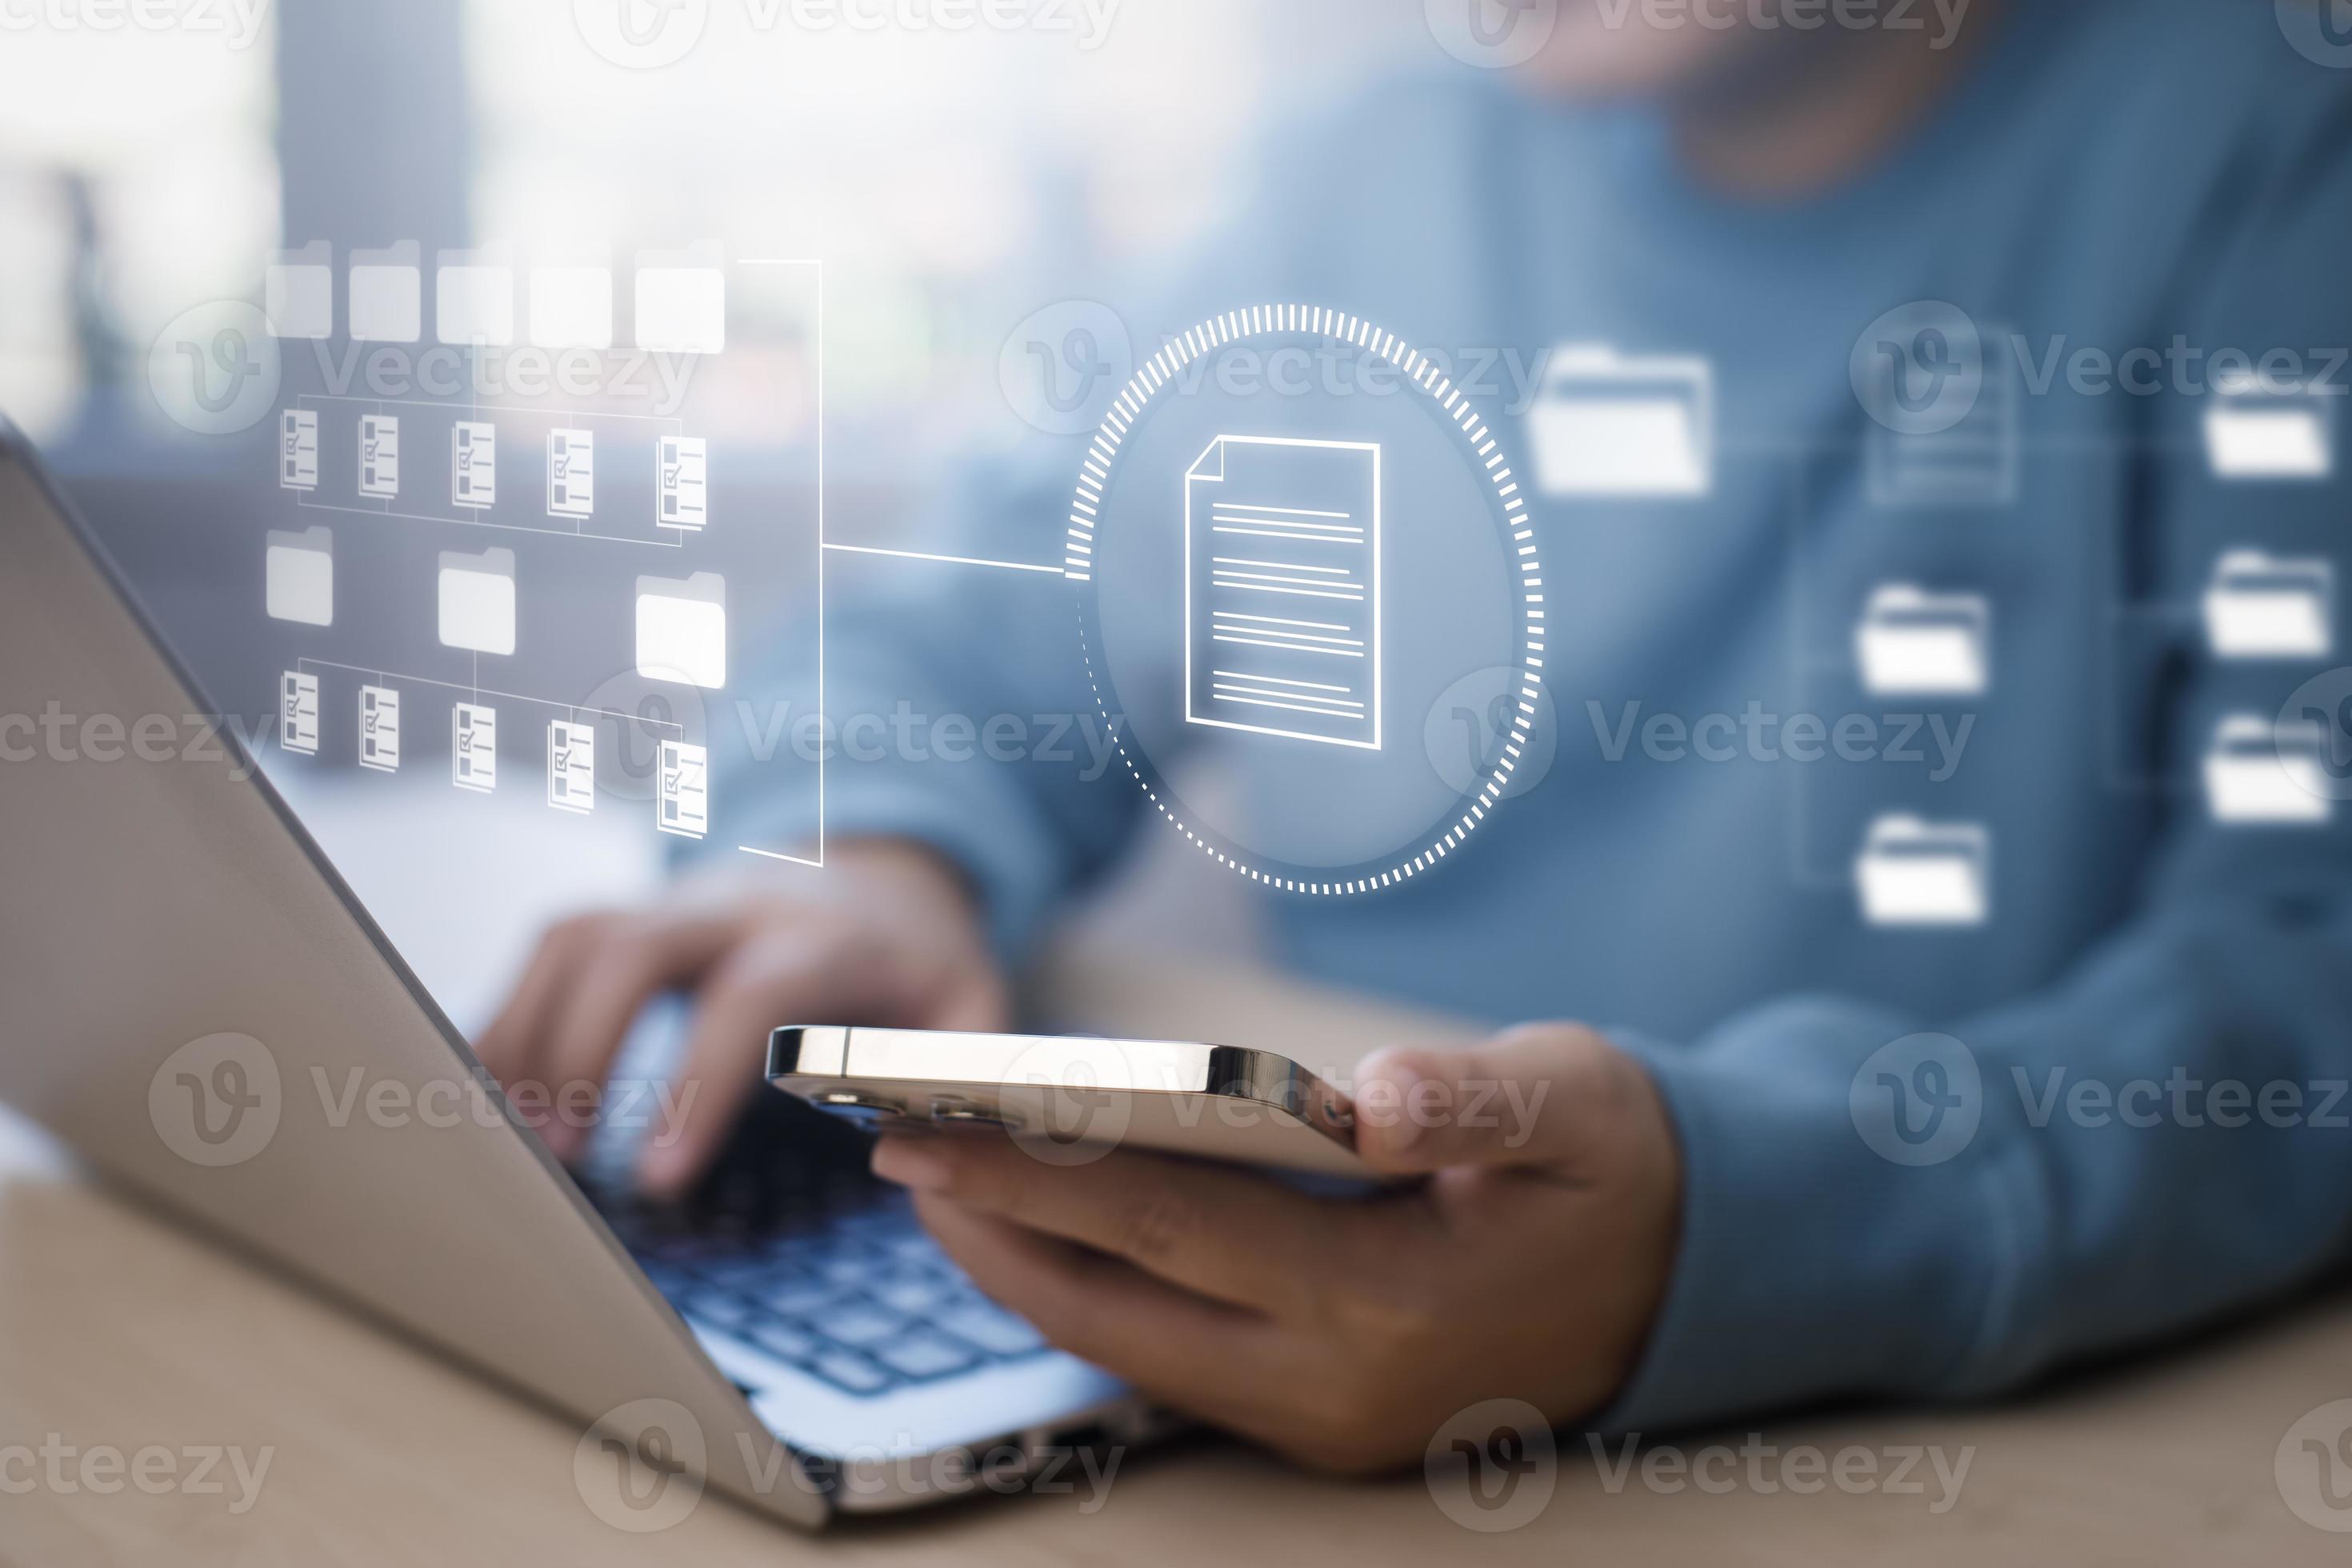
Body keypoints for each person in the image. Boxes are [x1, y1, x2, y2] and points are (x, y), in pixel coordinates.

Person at [479, 0, 2352, 1472]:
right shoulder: (1360, 181)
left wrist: (1755, 1237)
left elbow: (2308, 970)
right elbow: (964, 627)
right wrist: (865, 847)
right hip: (1297, 1333)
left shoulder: (2271, 139)